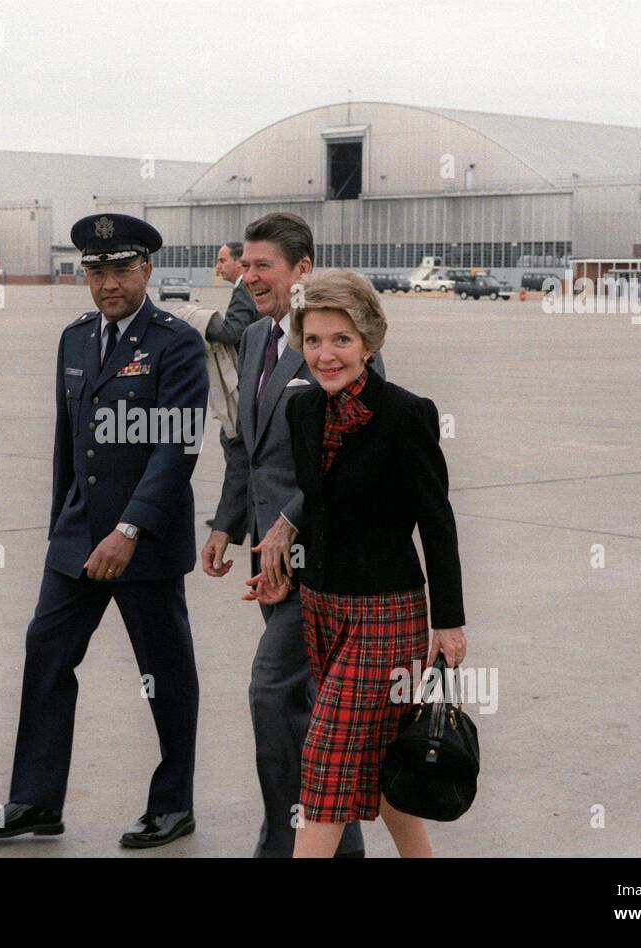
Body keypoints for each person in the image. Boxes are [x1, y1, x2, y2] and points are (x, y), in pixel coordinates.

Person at [0, 213, 209, 849]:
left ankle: (173, 802)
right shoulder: (74, 340)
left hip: (142, 542)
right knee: (46, 653)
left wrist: (129, 529)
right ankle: (36, 801)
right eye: (95, 271)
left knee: (164, 672)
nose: (107, 284)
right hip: (77, 536)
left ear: (147, 270)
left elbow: (175, 450)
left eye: (121, 269)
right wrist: (59, 527)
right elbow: (66, 447)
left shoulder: (175, 342)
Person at [246, 269, 467, 858]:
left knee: (323, 761)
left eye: (341, 340)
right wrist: (283, 571)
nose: (326, 354)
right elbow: (320, 509)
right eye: (313, 340)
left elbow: (436, 524)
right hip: (322, 609)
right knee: (378, 756)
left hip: (384, 616)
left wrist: (449, 621)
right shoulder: (304, 415)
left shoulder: (405, 415)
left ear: (369, 342)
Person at [200, 212, 382, 858]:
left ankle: (284, 842)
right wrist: (227, 524)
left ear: (303, 270)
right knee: (310, 710)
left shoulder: (333, 341)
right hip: (269, 559)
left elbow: (353, 452)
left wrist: (289, 523)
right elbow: (245, 447)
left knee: (271, 692)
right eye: (244, 266)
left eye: (262, 267)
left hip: (325, 560)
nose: (249, 278)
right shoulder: (253, 341)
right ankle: (342, 846)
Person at [203, 241, 259, 529]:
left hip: (248, 382)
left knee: (234, 442)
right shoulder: (244, 290)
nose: (218, 265)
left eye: (223, 260)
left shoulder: (242, 290)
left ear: (239, 262)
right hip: (251, 379)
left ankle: (236, 517)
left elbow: (232, 331)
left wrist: (200, 321)